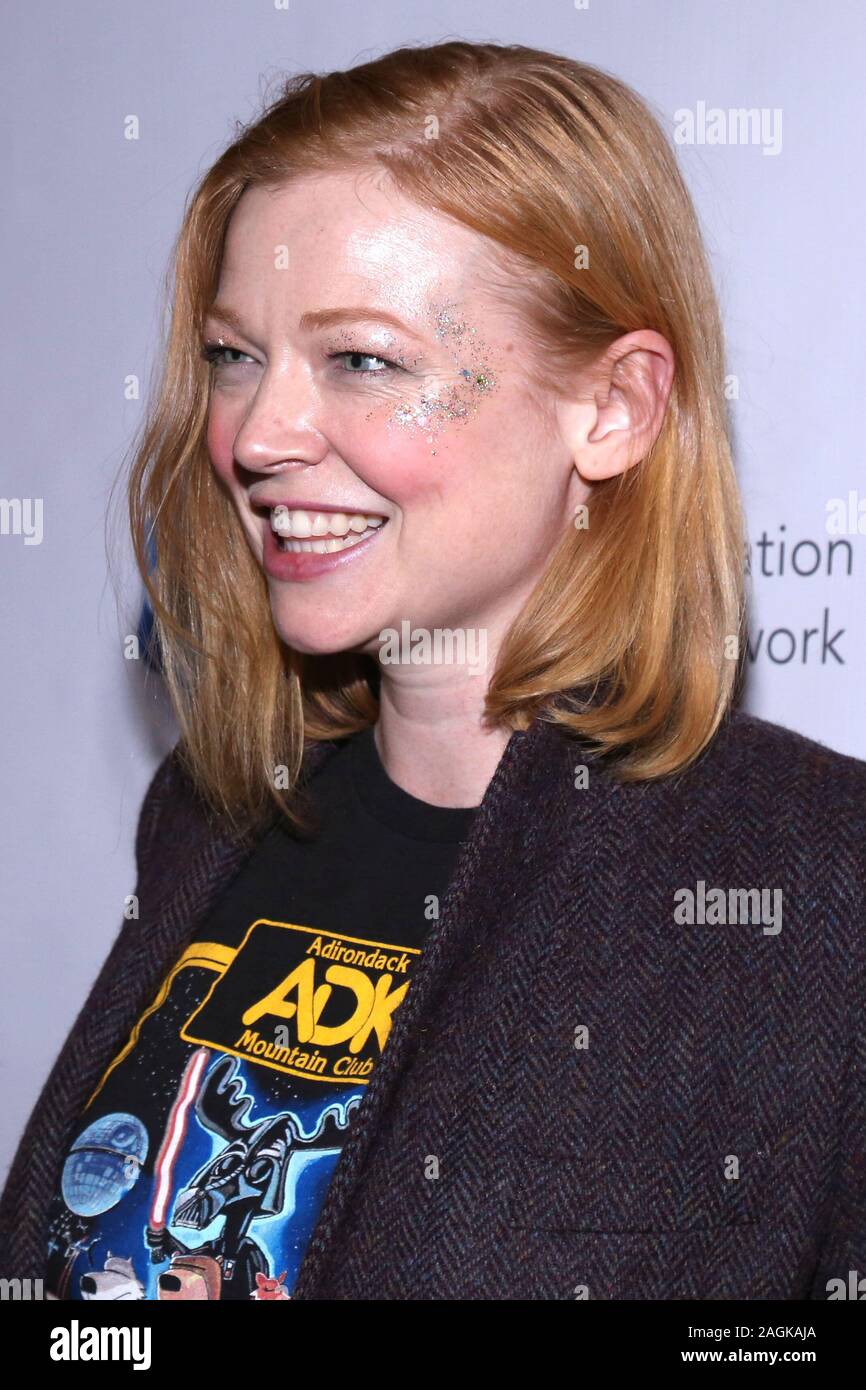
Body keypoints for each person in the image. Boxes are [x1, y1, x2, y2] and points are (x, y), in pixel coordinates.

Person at [1, 40, 863, 1301]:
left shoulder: (817, 884)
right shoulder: (208, 811)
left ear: (612, 408)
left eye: (361, 360)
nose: (256, 434)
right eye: (237, 355)